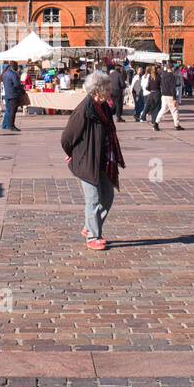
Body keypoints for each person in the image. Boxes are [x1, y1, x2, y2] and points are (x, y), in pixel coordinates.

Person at [60, 70, 125, 251]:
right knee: (94, 199)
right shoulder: (84, 110)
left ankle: (90, 226)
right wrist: (72, 153)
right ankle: (93, 236)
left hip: (103, 159)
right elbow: (67, 137)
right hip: (87, 160)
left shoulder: (104, 107)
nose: (110, 92)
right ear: (97, 91)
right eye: (107, 89)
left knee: (108, 196)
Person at [156, 63, 183, 130]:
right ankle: (176, 125)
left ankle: (156, 123)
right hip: (170, 95)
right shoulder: (172, 76)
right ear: (172, 68)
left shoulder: (163, 75)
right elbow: (173, 88)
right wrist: (174, 98)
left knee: (163, 110)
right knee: (174, 110)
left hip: (164, 95)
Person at [1, 61, 23, 131]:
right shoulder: (13, 74)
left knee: (9, 110)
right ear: (14, 66)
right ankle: (11, 126)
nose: (17, 67)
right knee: (13, 111)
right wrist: (22, 89)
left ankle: (5, 125)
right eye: (16, 66)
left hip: (7, 94)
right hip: (13, 95)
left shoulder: (5, 74)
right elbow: (17, 84)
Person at [143, 65, 162, 131]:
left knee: (152, 108)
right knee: (156, 109)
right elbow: (161, 85)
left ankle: (144, 116)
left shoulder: (150, 77)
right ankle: (154, 124)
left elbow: (148, 87)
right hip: (157, 93)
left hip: (151, 93)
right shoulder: (158, 77)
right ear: (157, 70)